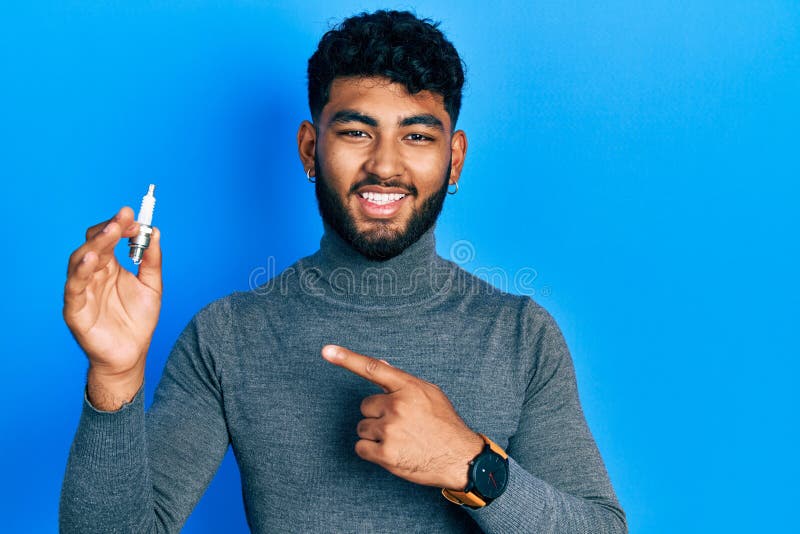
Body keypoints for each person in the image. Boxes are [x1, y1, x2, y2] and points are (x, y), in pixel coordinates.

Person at [60, 9, 626, 533]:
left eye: (418, 136)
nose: (384, 164)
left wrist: (468, 463)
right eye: (357, 132)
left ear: (454, 159)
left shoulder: (522, 335)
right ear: (310, 150)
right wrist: (114, 377)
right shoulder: (227, 336)